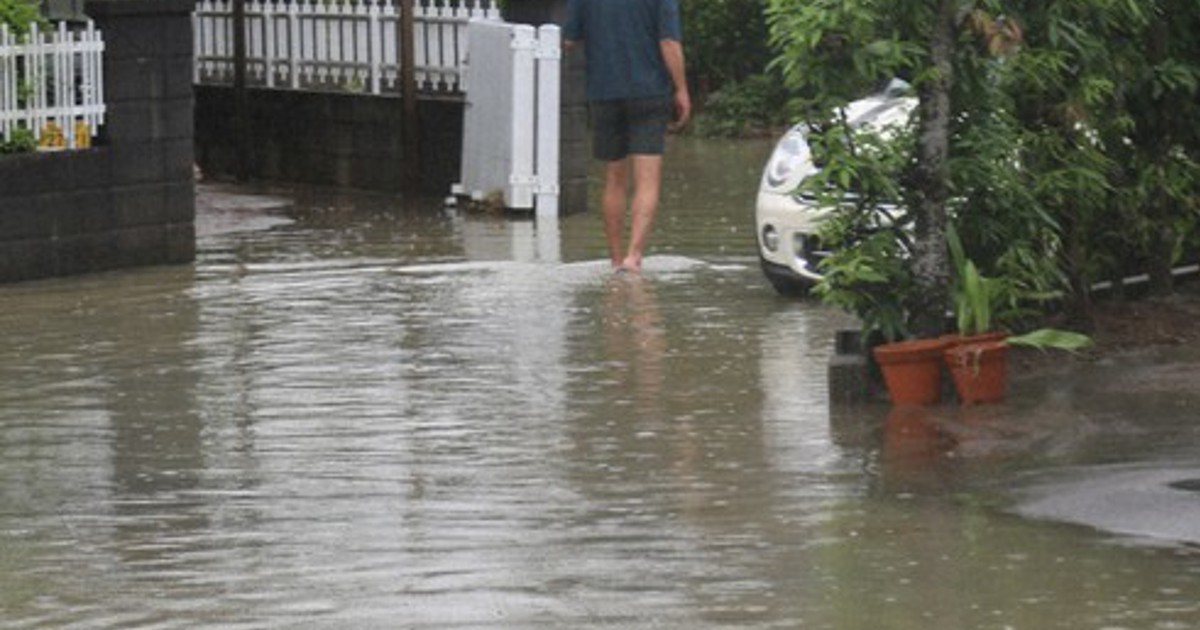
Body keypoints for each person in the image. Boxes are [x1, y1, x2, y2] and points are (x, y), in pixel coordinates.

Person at [564, 0, 691, 273]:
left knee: (614, 179)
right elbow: (668, 42)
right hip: (649, 90)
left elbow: (569, 40)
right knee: (647, 180)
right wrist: (681, 89)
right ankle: (634, 256)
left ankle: (615, 258)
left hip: (604, 91)